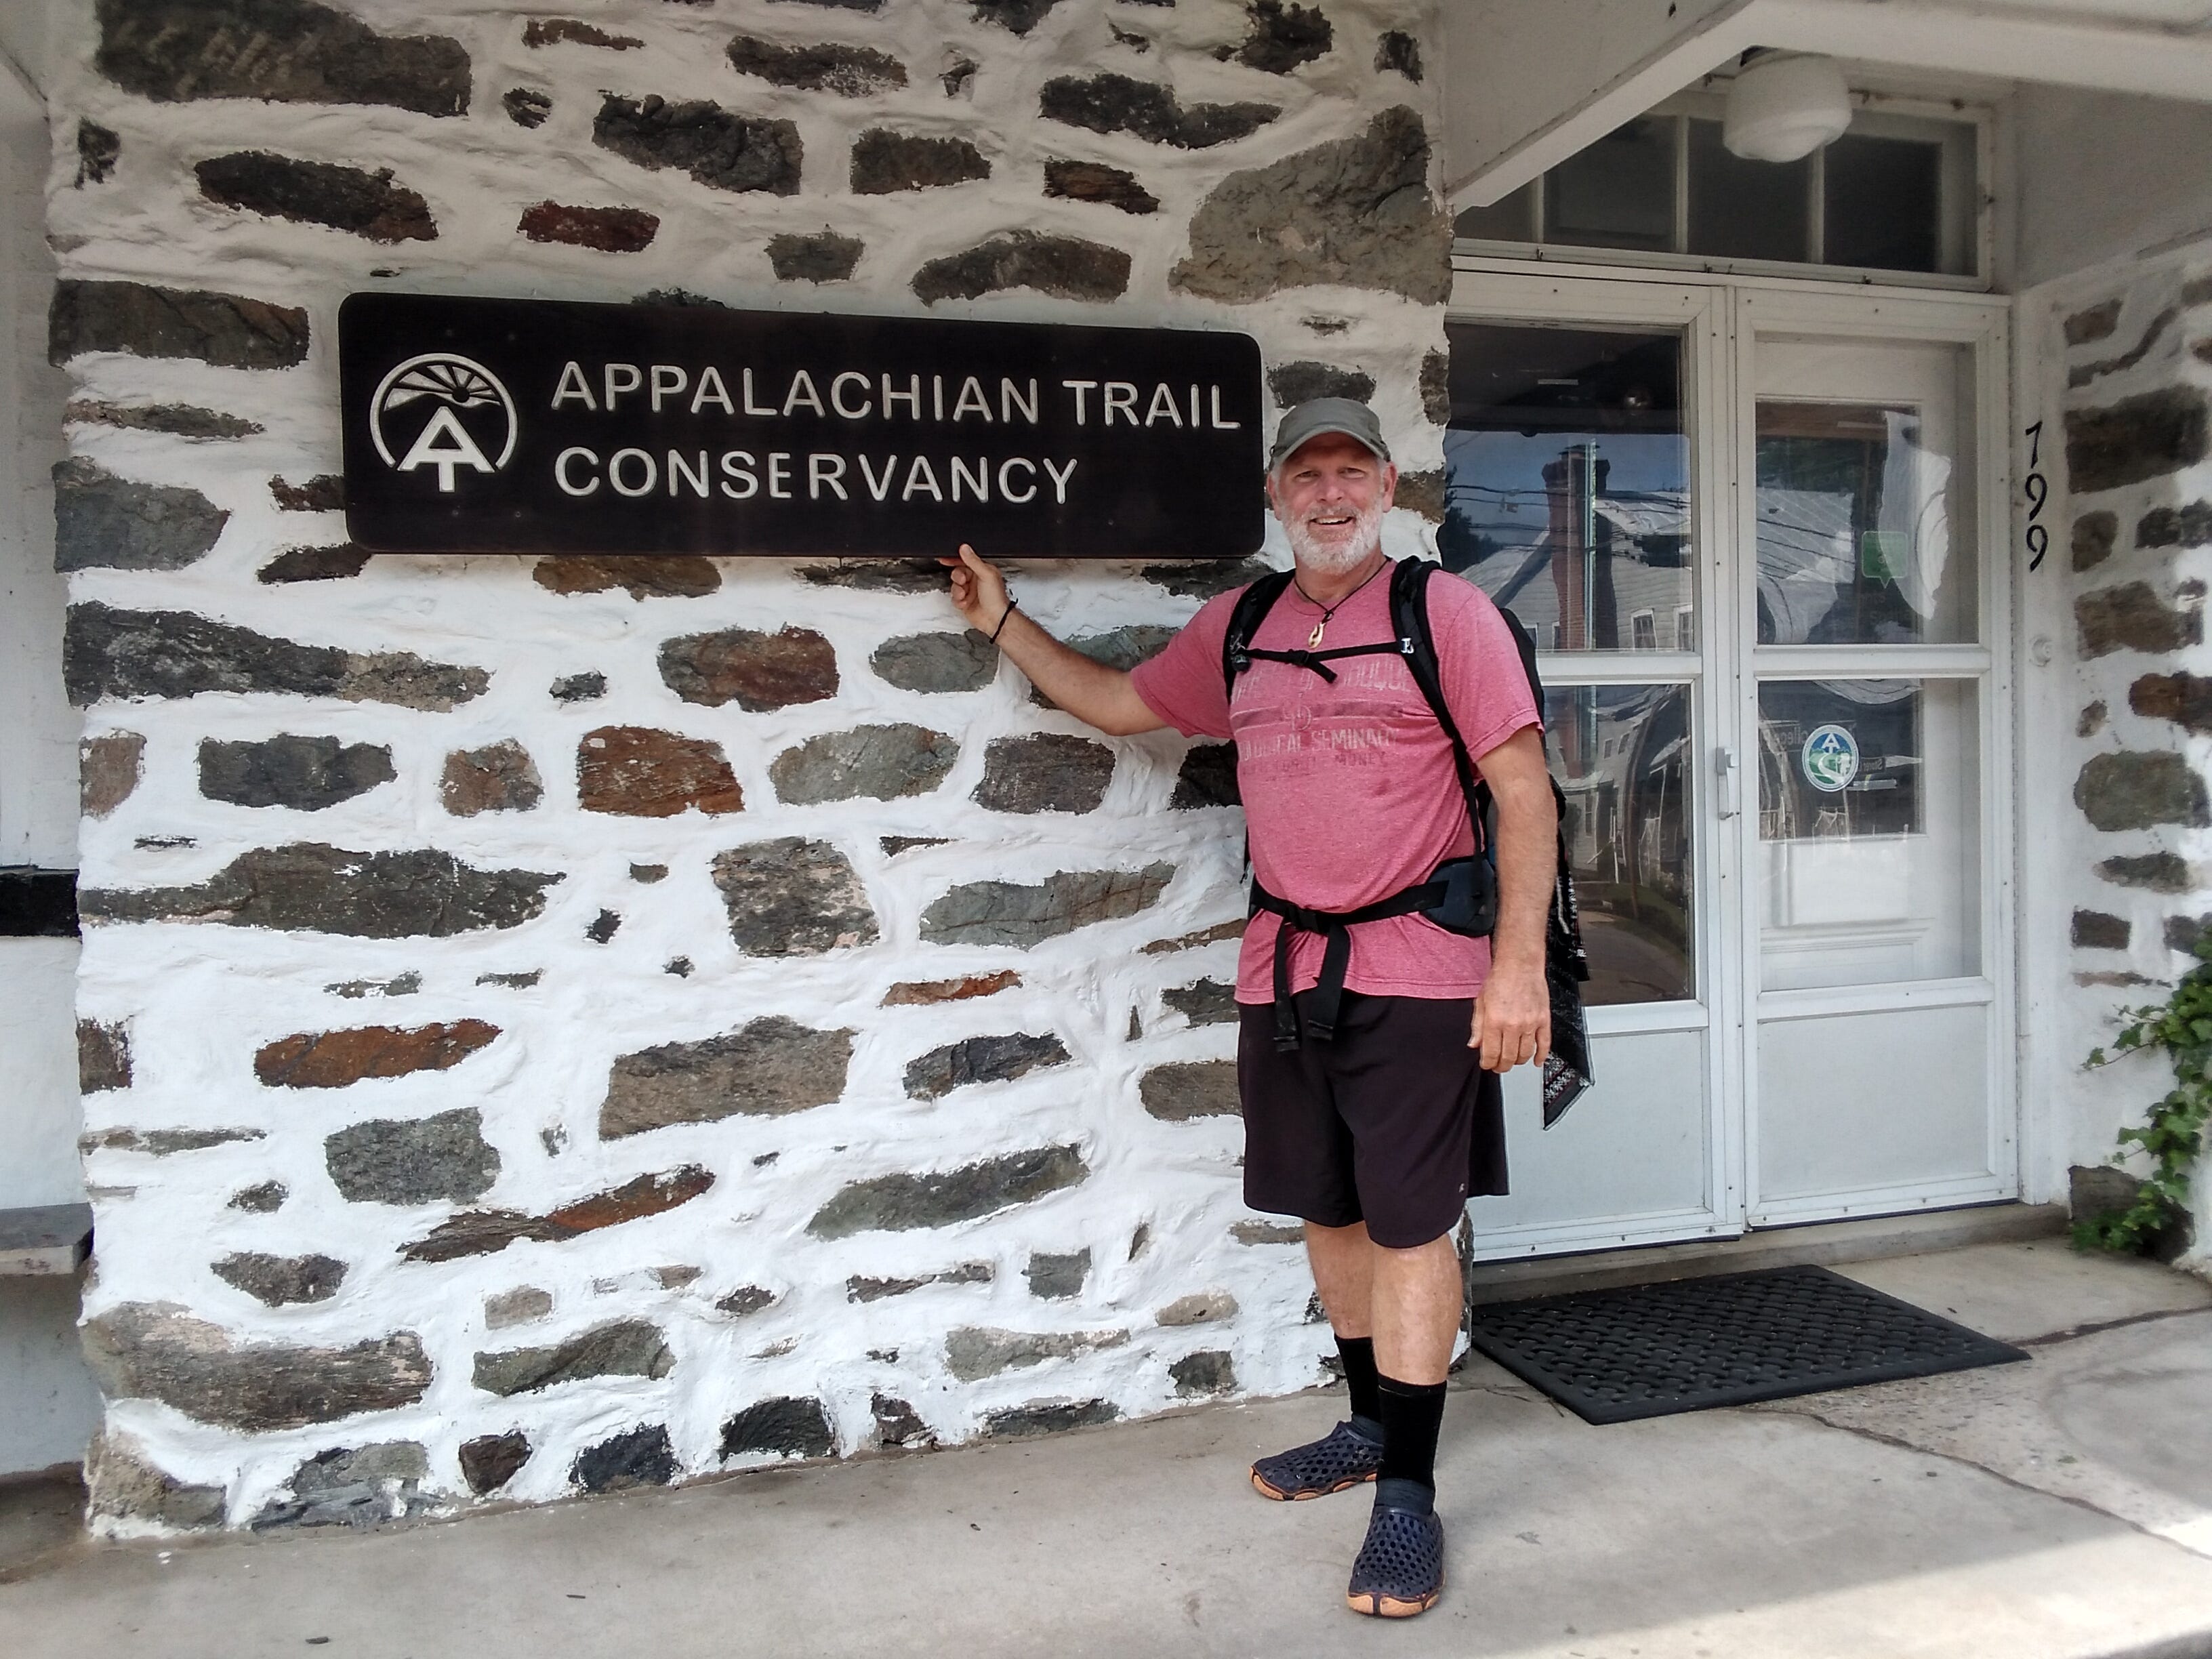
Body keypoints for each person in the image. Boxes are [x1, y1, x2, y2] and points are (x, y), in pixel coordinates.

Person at [941, 396, 1556, 1620]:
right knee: (1325, 1213)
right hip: (1285, 972)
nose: (1329, 495)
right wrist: (1005, 622)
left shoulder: (1449, 616)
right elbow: (1122, 705)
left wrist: (1518, 968)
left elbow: (1525, 792)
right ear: (1277, 497)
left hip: (1421, 970)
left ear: (1387, 488)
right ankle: (1369, 1427)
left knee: (1408, 1226)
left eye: (1351, 472)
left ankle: (1409, 1499)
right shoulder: (1243, 627)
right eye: (1305, 476)